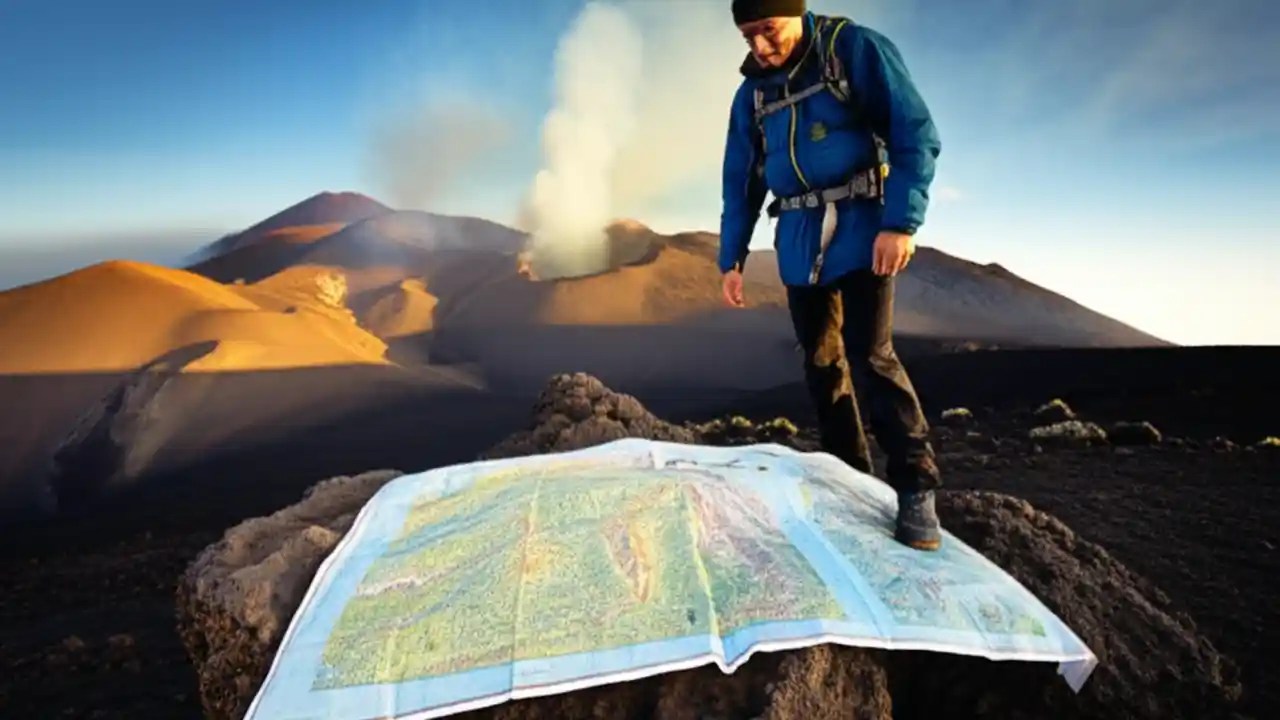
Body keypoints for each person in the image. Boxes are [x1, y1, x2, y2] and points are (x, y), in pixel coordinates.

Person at [718, 0, 944, 550]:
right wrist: (732, 257)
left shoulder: (853, 50)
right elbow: (741, 178)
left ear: (795, 13)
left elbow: (915, 133)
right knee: (821, 364)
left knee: (872, 355)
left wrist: (901, 222)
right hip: (798, 241)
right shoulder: (753, 96)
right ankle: (850, 477)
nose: (759, 47)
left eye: (767, 30)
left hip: (865, 233)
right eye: (748, 37)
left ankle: (916, 488)